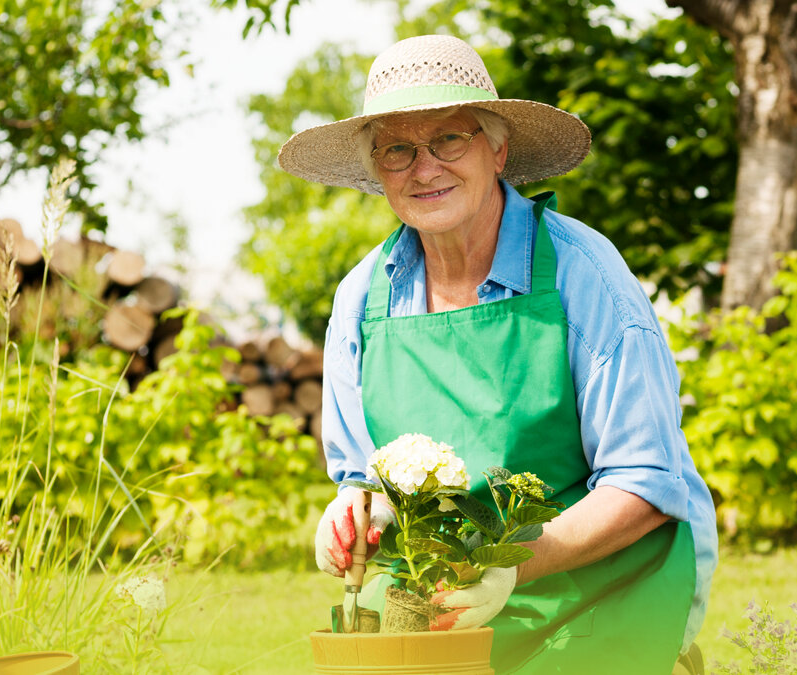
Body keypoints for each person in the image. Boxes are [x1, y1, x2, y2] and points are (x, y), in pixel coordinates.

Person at [281, 34, 716, 675]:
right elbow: (361, 476)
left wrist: (510, 563)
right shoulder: (362, 299)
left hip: (592, 588)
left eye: (448, 140)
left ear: (498, 149)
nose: (424, 168)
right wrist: (349, 513)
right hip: (434, 598)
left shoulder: (582, 273)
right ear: (377, 168)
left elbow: (646, 484)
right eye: (398, 149)